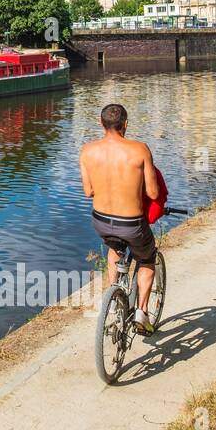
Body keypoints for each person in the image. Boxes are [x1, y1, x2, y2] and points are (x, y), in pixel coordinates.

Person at [80, 103, 161, 333]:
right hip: (132, 224)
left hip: (101, 221)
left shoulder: (87, 151)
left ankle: (114, 295)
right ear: (125, 124)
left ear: (100, 123)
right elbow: (153, 193)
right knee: (146, 259)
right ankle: (142, 313)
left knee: (114, 247)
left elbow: (88, 191)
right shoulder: (140, 150)